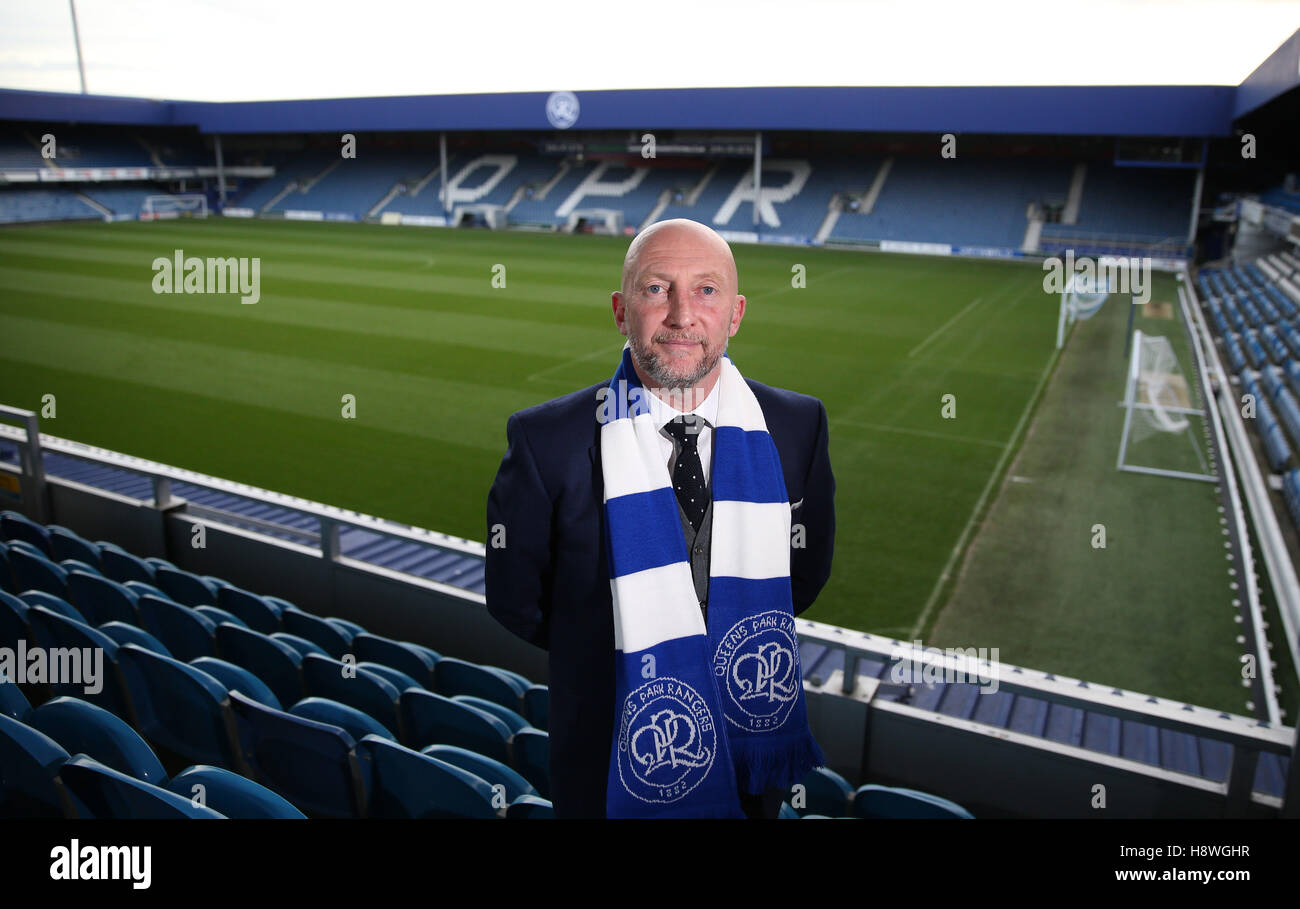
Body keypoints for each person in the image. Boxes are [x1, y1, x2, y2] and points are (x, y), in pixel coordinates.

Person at [485, 218, 835, 818]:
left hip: (746, 750)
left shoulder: (797, 426)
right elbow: (516, 599)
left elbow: (804, 573)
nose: (681, 315)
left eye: (706, 290)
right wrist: (626, 644)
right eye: (656, 289)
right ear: (622, 311)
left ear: (737, 313)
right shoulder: (546, 440)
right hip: (607, 757)